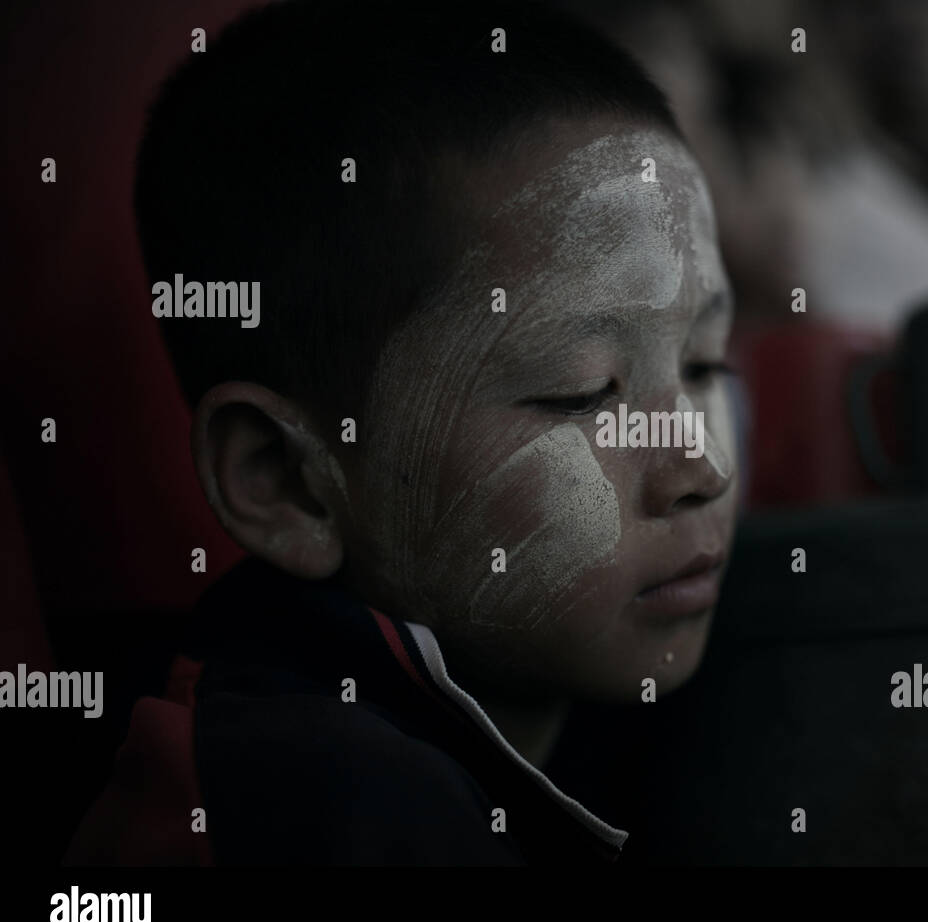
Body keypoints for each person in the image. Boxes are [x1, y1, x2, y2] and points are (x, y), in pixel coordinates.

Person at [64, 0, 739, 865]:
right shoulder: (314, 813)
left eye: (707, 364)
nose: (704, 465)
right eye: (582, 397)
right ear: (289, 481)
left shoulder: (608, 699)